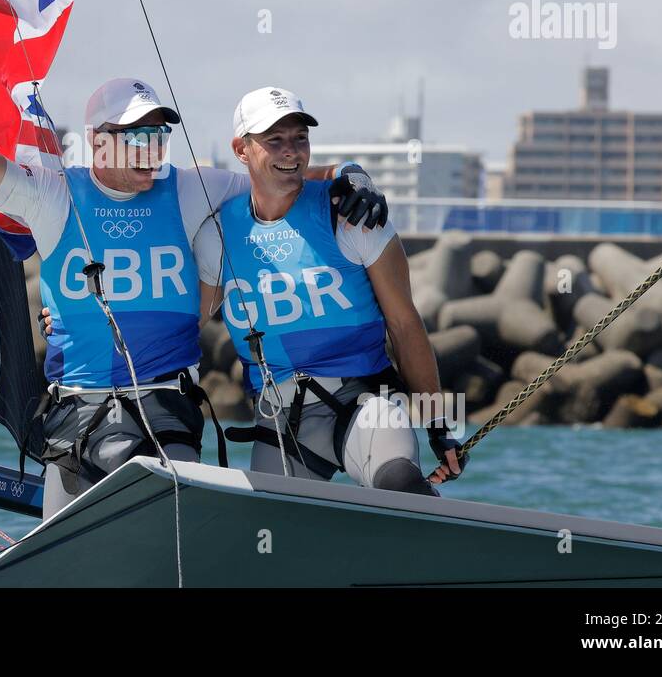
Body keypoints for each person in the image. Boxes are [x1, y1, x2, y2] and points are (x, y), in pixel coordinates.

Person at [0, 18, 390, 517]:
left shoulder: (188, 189)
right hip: (79, 411)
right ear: (98, 139)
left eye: (158, 133)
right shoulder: (53, 195)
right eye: (135, 134)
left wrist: (348, 175)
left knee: (171, 522)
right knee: (61, 556)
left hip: (165, 408)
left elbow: (276, 176)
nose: (152, 147)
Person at [195, 86, 465, 493]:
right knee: (267, 539)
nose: (291, 151)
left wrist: (437, 425)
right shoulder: (218, 234)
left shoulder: (352, 215)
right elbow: (185, 326)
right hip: (281, 419)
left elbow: (405, 324)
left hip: (364, 403)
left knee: (399, 484)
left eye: (300, 138)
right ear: (241, 149)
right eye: (275, 140)